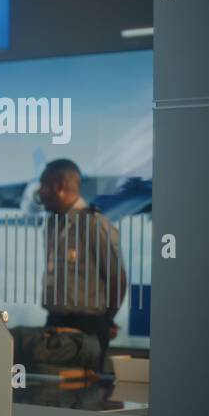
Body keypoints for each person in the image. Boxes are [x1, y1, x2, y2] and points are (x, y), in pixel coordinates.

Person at [37, 158, 127, 370]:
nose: (39, 192)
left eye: (44, 185)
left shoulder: (94, 225)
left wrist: (106, 320)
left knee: (86, 393)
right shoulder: (53, 224)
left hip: (87, 326)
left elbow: (117, 278)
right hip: (55, 322)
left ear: (59, 187)